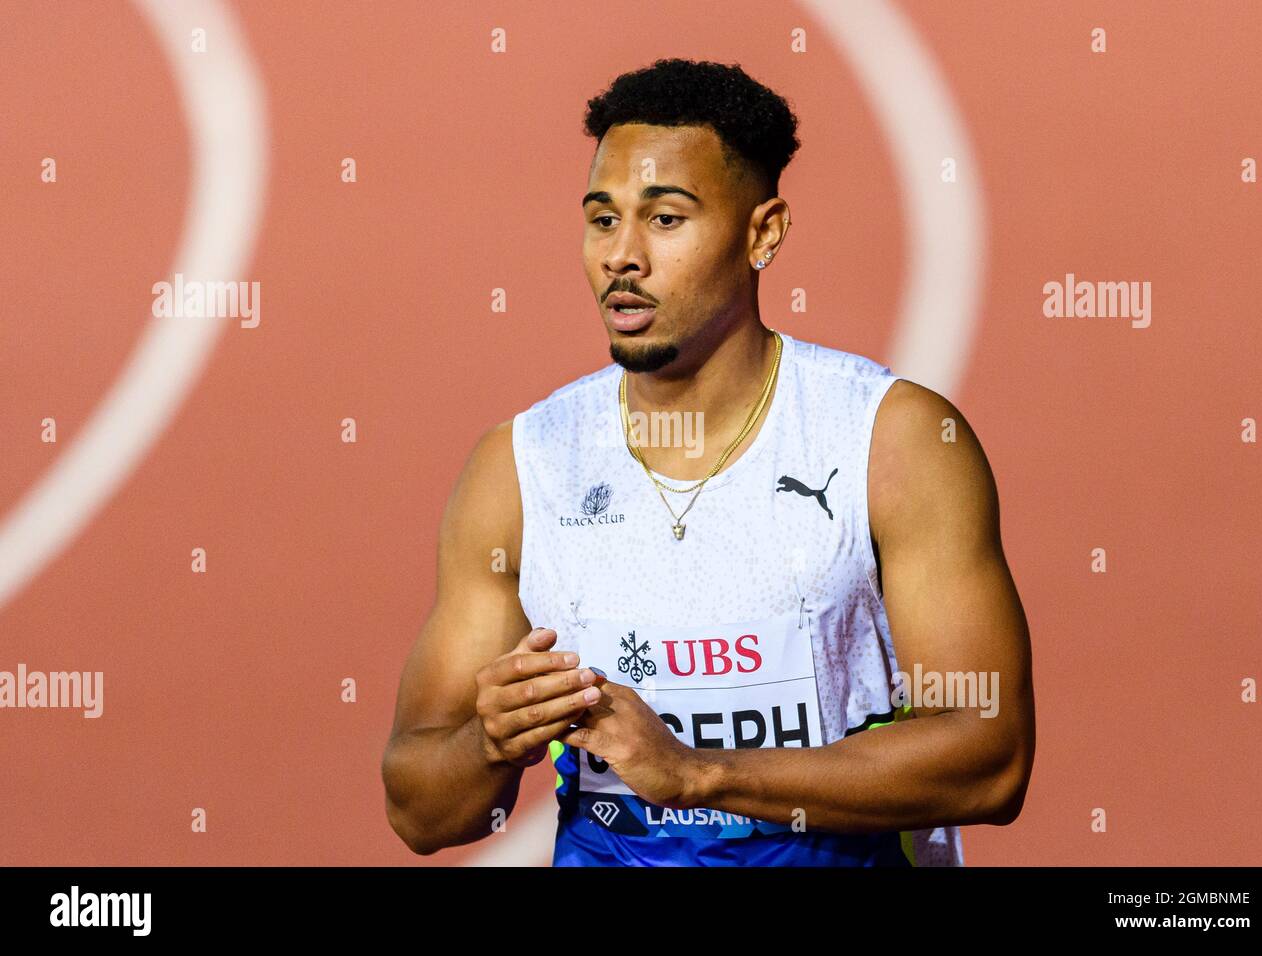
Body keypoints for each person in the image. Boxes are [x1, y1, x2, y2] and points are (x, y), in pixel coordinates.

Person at [382, 58, 1034, 866]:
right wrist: (487, 744)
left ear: (763, 233)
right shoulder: (524, 466)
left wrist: (701, 775)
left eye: (665, 220)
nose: (623, 256)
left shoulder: (888, 441)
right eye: (601, 218)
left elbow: (991, 756)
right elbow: (417, 808)